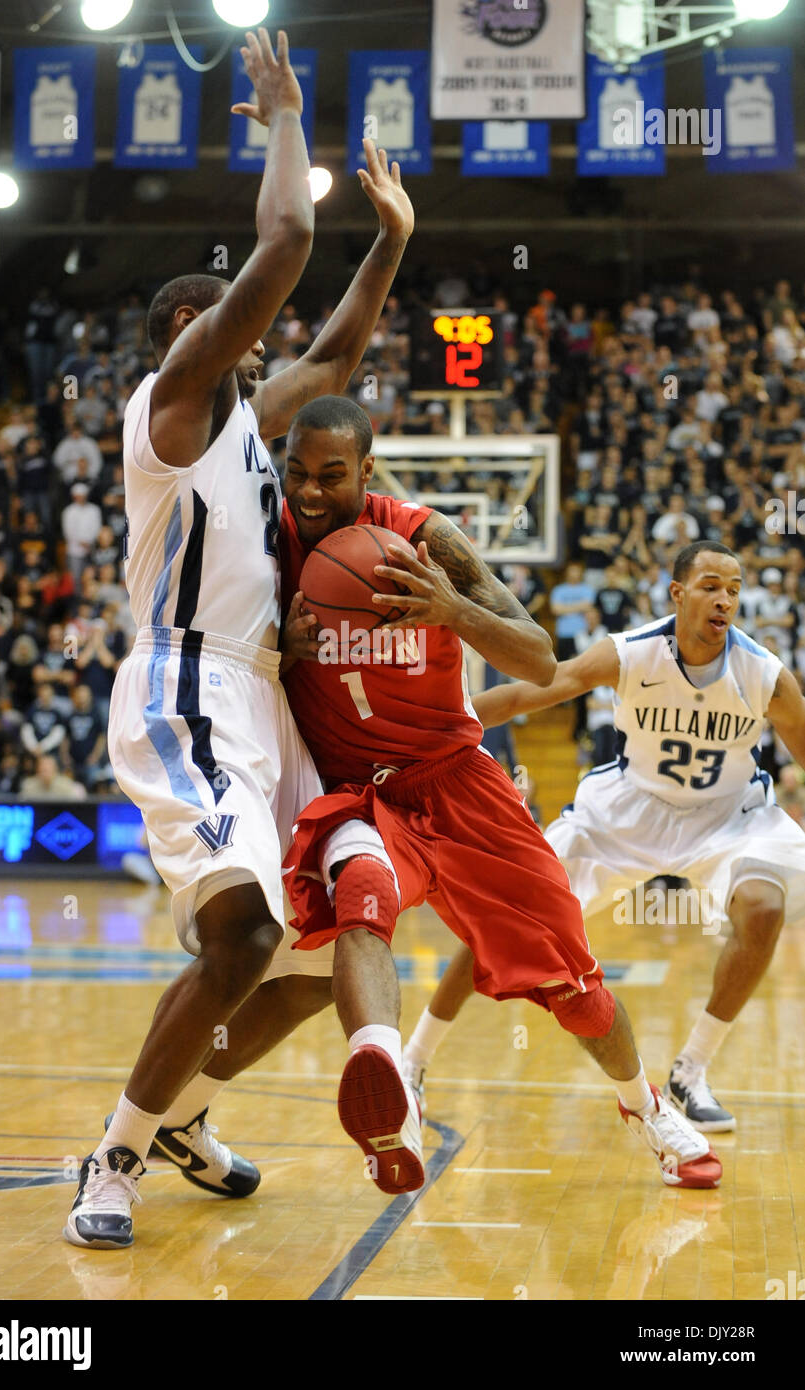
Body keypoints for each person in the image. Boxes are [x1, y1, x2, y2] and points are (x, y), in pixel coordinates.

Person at [144, 401, 720, 1205]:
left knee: (574, 987)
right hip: (355, 792)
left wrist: (451, 609)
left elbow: (539, 656)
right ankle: (390, 1099)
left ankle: (646, 1107)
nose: (309, 491)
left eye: (331, 476)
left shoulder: (423, 537)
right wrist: (282, 647)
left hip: (456, 778)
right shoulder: (265, 546)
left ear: (366, 471)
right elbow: (226, 656)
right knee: (361, 900)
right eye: (298, 473)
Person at [64, 25, 416, 1249]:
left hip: (266, 707)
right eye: (228, 326)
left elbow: (331, 349)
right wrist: (279, 117)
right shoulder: (168, 411)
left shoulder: (245, 437)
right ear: (185, 334)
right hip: (184, 691)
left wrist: (392, 241)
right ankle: (109, 1158)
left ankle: (182, 1114)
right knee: (244, 936)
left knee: (317, 960)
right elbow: (282, 246)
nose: (254, 337)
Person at [404, 543, 805, 1134]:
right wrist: (439, 731)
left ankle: (690, 1073)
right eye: (710, 586)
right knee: (504, 924)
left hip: (726, 816)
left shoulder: (764, 675)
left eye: (734, 589)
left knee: (765, 907)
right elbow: (529, 692)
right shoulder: (631, 652)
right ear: (677, 593)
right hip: (623, 813)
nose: (724, 599)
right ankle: (412, 1062)